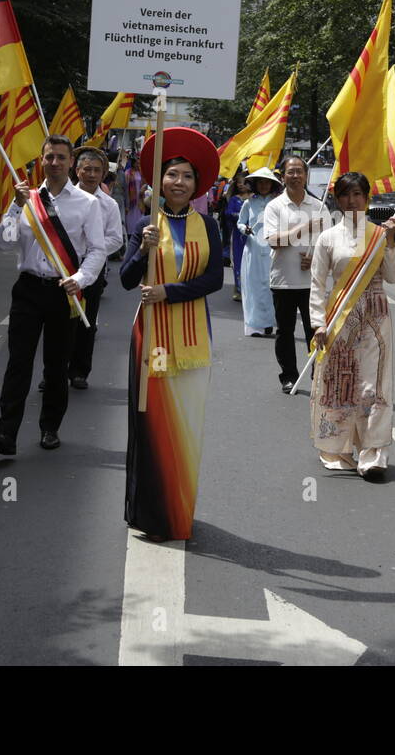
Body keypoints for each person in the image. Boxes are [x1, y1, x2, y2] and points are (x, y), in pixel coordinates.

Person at [120, 127, 224, 541]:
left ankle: (179, 511)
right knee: (153, 422)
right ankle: (148, 512)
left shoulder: (209, 226)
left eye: (186, 176)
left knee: (188, 424)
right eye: (171, 174)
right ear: (159, 181)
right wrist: (143, 250)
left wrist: (169, 291)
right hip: (155, 343)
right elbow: (127, 280)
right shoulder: (147, 224)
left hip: (194, 340)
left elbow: (214, 279)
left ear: (197, 185)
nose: (178, 182)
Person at [0, 135, 108, 456]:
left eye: (61, 158)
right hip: (27, 290)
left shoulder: (88, 204)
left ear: (71, 163)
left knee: (56, 365)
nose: (54, 163)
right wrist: (15, 206)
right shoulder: (27, 200)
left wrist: (80, 278)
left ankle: (49, 427)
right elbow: (4, 243)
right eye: (49, 157)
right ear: (41, 160)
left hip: (62, 293)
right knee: (18, 362)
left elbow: (97, 250)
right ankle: (6, 433)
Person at [308, 172, 395, 481]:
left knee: (373, 387)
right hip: (339, 320)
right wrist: (318, 323)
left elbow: (393, 276)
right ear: (338, 199)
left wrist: (390, 243)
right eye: (346, 195)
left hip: (375, 319)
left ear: (367, 198)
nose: (352, 201)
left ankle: (374, 455)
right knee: (341, 385)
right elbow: (318, 284)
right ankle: (338, 448)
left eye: (358, 194)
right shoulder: (328, 238)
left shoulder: (378, 234)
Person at [264, 156, 333, 393]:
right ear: (282, 176)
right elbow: (274, 241)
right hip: (283, 280)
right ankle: (289, 376)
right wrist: (305, 228)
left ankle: (317, 375)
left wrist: (315, 259)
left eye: (299, 172)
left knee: (314, 331)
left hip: (313, 283)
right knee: (285, 332)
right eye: (290, 172)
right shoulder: (274, 207)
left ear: (306, 176)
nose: (295, 176)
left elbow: (331, 245)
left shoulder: (320, 207)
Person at [65, 147, 124, 389]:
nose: (91, 174)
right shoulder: (62, 199)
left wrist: (92, 250)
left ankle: (79, 371)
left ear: (103, 174)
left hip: (93, 269)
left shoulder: (109, 205)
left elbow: (116, 239)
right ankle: (53, 373)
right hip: (64, 267)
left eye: (96, 170)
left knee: (86, 320)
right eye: (86, 169)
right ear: (77, 170)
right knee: (59, 322)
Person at [237, 166, 279, 336]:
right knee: (253, 287)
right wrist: (244, 229)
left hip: (271, 250)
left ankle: (269, 323)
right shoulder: (249, 203)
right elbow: (240, 222)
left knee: (270, 287)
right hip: (253, 250)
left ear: (272, 185)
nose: (263, 186)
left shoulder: (276, 204)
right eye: (260, 182)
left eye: (267, 183)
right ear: (255, 184)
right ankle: (254, 325)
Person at [224, 179, 248, 301]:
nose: (241, 184)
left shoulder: (255, 199)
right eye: (239, 182)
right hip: (238, 235)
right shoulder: (234, 199)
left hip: (253, 236)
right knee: (238, 261)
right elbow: (228, 213)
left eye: (243, 182)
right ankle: (238, 289)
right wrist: (241, 217)